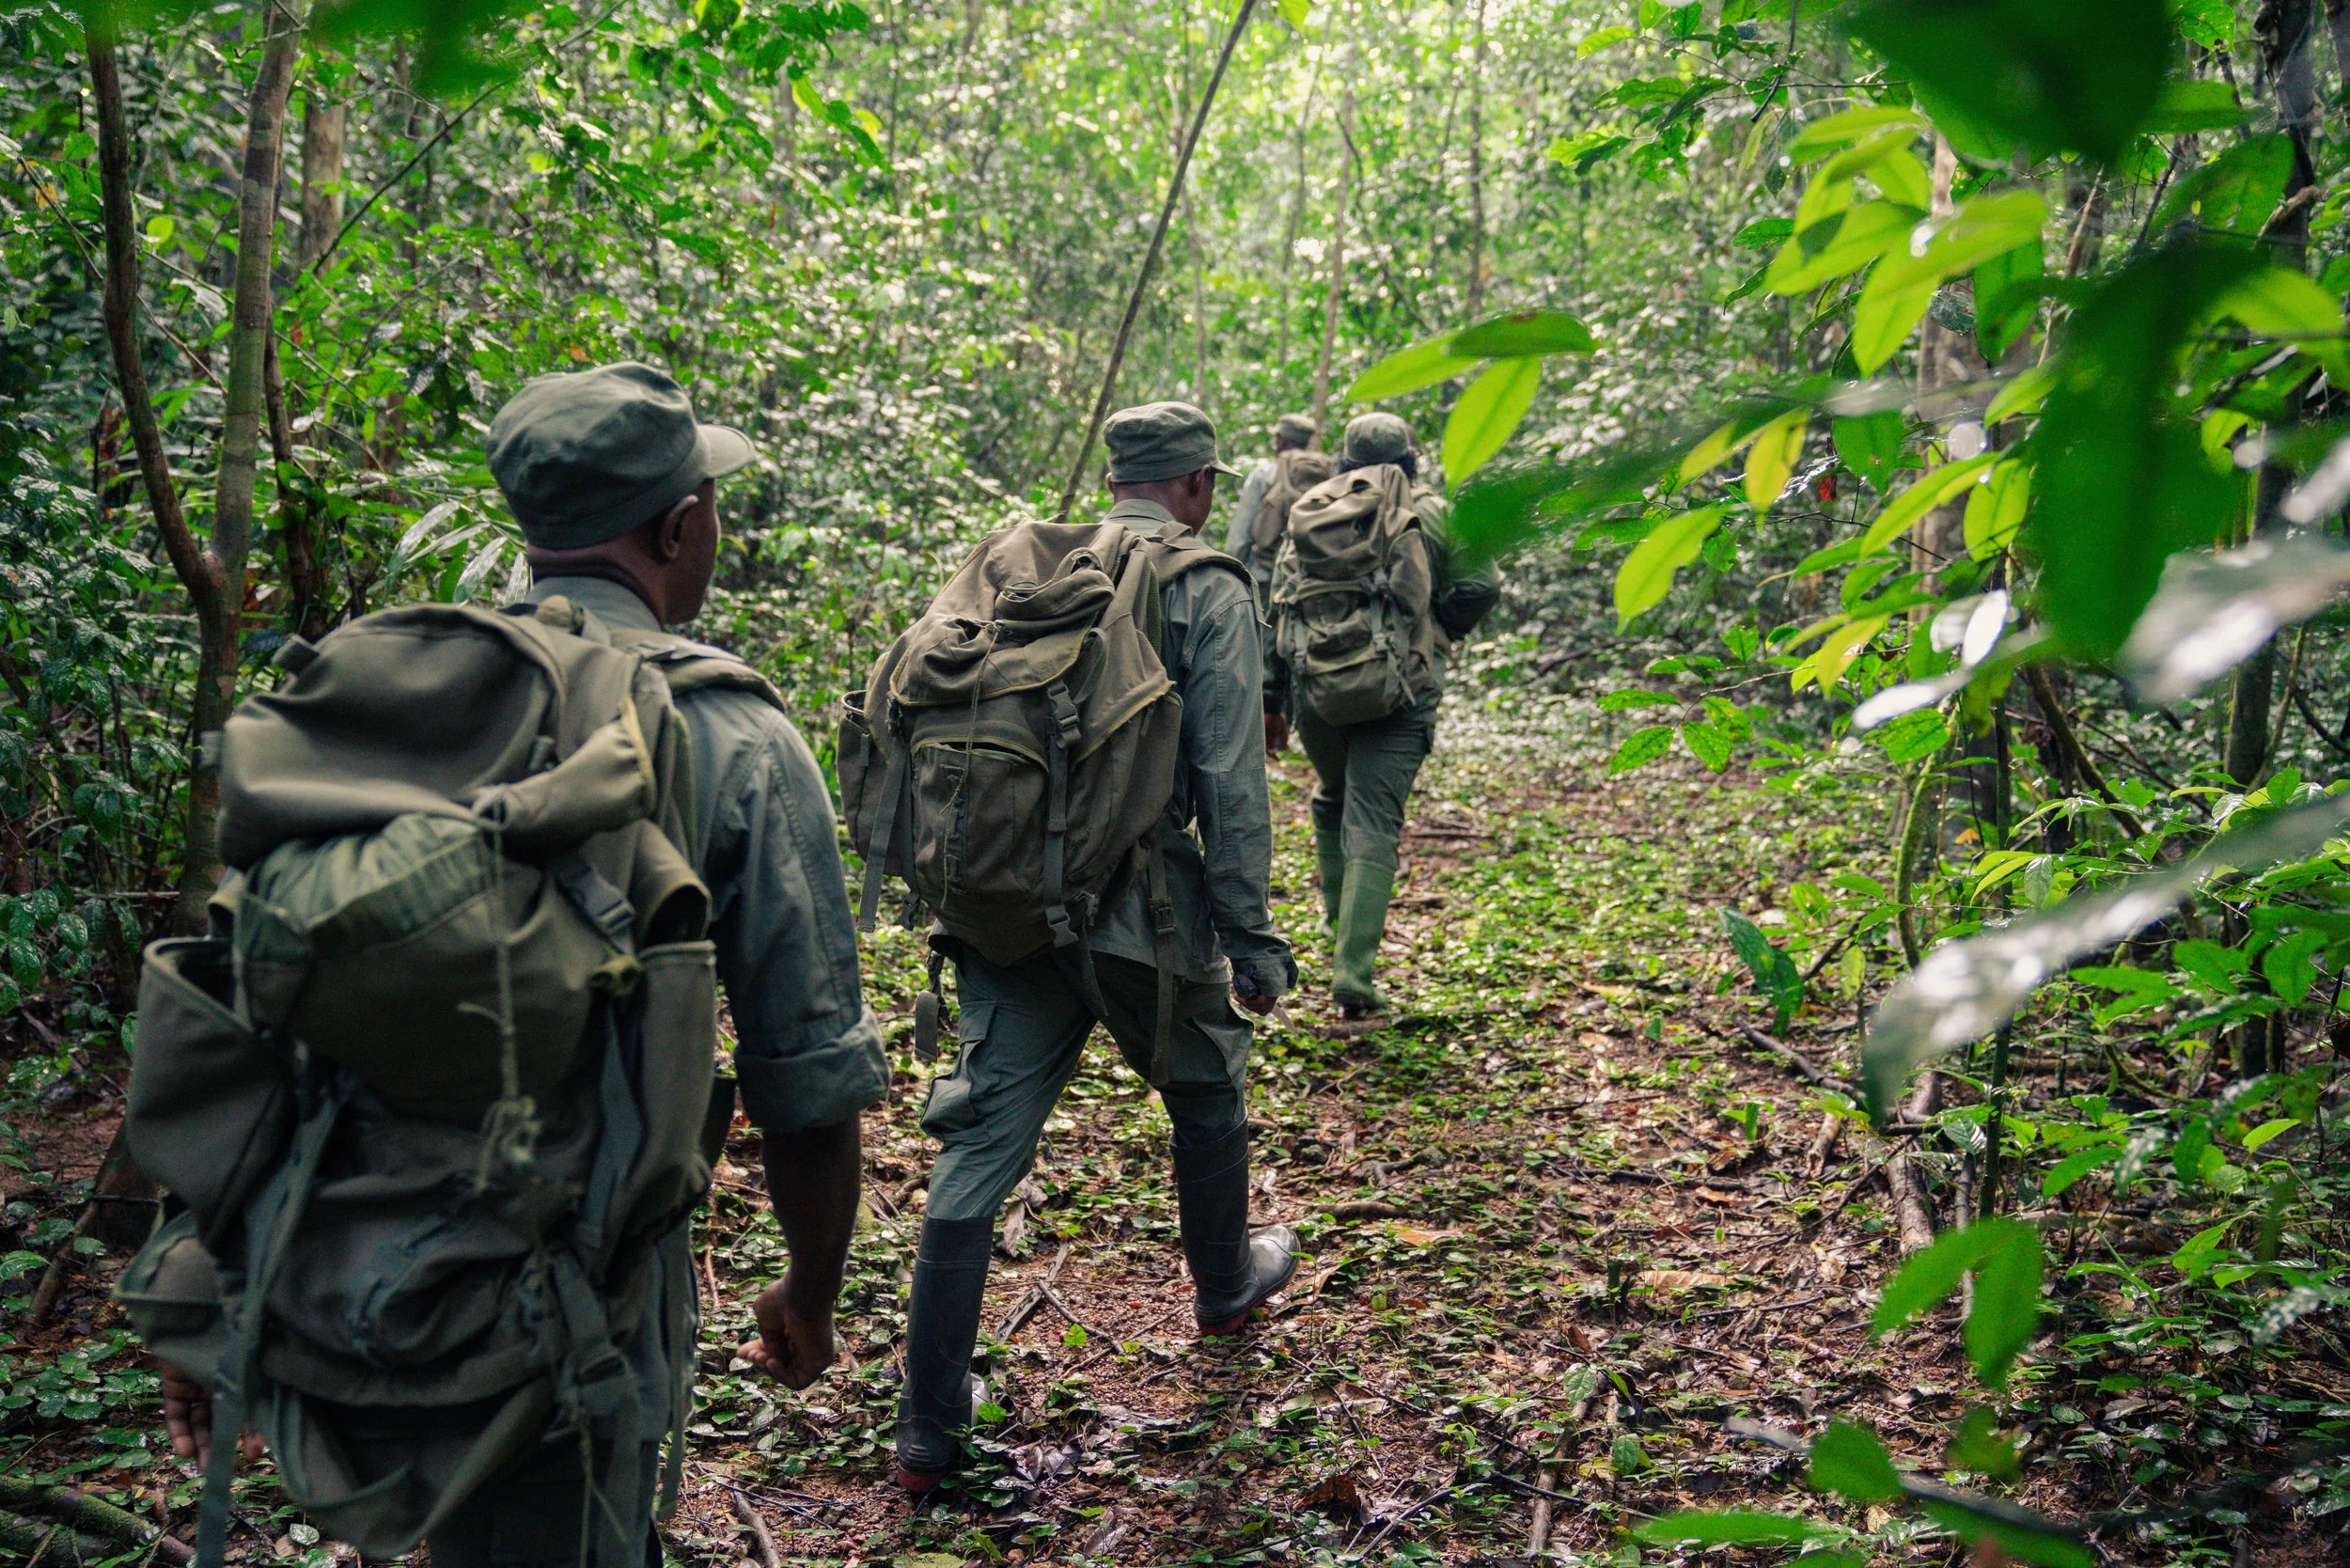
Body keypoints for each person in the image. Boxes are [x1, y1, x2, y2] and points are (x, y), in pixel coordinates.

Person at [156, 362, 889, 1567]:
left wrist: (203, 1278)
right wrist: (810, 1291)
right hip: (576, 1275)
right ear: (676, 525)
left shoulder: (398, 693)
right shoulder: (733, 733)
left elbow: (242, 1009)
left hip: (345, 1246)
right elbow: (803, 1079)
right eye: (707, 499)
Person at [893, 401, 1298, 1494]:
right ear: (1201, 485)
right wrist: (1251, 937)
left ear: (1117, 475)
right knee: (1206, 1089)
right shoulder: (1205, 585)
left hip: (1004, 908)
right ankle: (1223, 1285)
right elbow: (1229, 779)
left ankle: (928, 1426)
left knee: (977, 1145)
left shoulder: (1022, 571)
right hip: (1141, 919)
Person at [1267, 411, 1499, 1019]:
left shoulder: (1314, 508)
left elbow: (1279, 601)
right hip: (1403, 687)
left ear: (1343, 458)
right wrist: (1436, 628)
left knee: (1331, 798)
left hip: (1317, 686)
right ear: (1411, 457)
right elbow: (1482, 585)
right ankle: (1354, 972)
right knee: (1372, 816)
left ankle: (1340, 936)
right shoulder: (1436, 511)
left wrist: (1273, 693)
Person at [1226, 412, 1323, 604]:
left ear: (1280, 440)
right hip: (1310, 579)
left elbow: (1240, 537)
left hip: (1264, 578)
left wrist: (1229, 575)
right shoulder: (1323, 473)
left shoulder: (1264, 475)